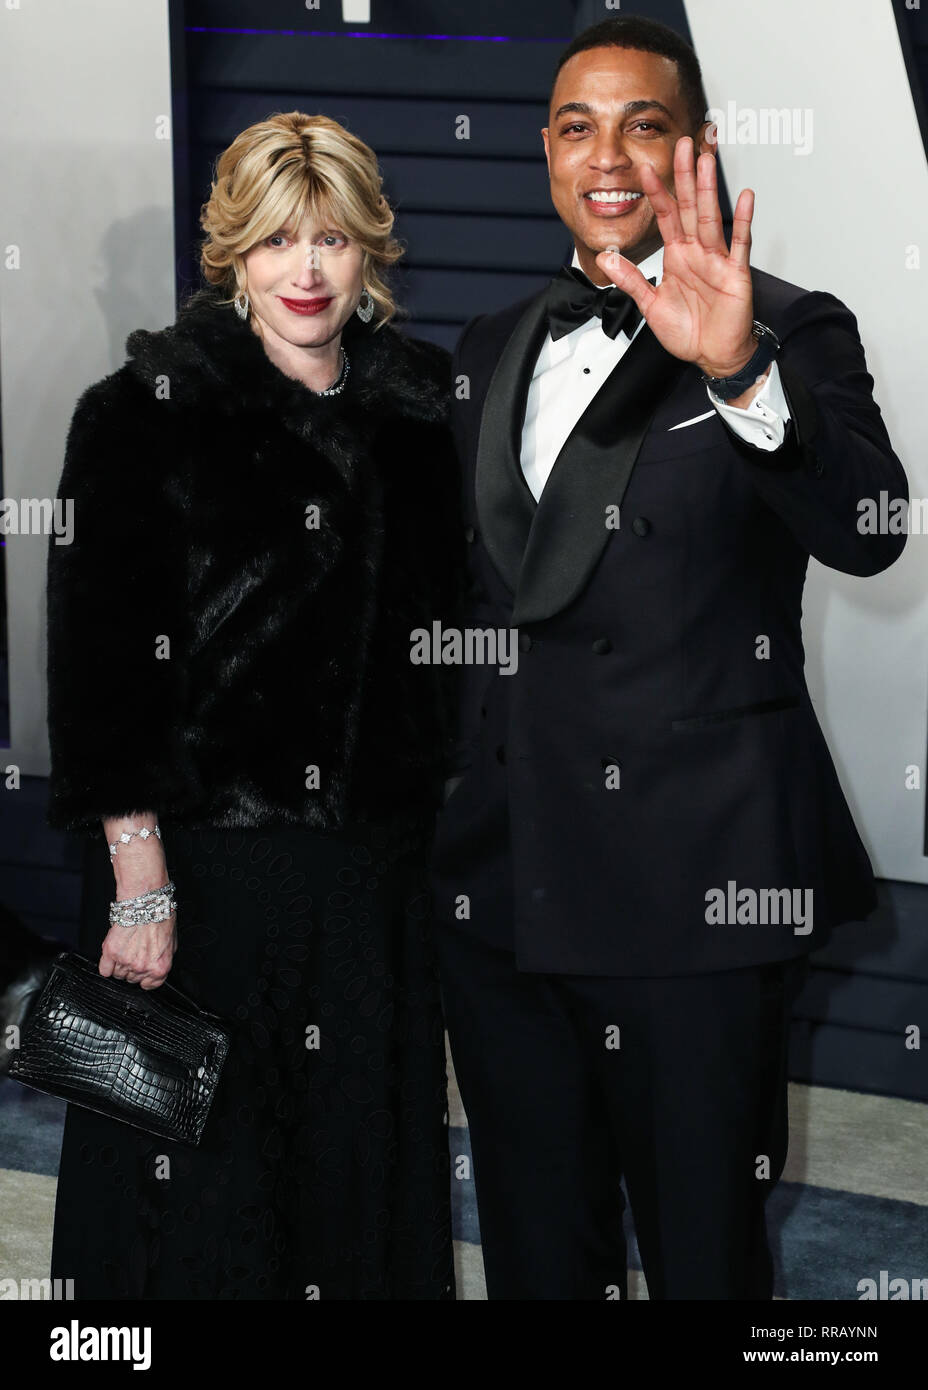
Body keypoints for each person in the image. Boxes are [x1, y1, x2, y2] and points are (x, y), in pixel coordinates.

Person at [430, 16, 908, 1300]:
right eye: (577, 126)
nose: (606, 156)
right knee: (537, 1248)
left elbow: (870, 531)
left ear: (694, 147)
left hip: (695, 887)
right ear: (543, 150)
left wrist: (740, 368)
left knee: (703, 1256)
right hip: (504, 882)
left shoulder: (793, 331)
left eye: (643, 124)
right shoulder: (489, 344)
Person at [45, 110, 461, 1300]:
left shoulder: (421, 410)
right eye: (279, 240)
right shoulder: (139, 413)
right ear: (233, 253)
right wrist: (142, 883)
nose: (309, 270)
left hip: (372, 884)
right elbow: (101, 673)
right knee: (201, 1196)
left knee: (355, 1178)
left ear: (368, 246)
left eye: (330, 236)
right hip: (204, 882)